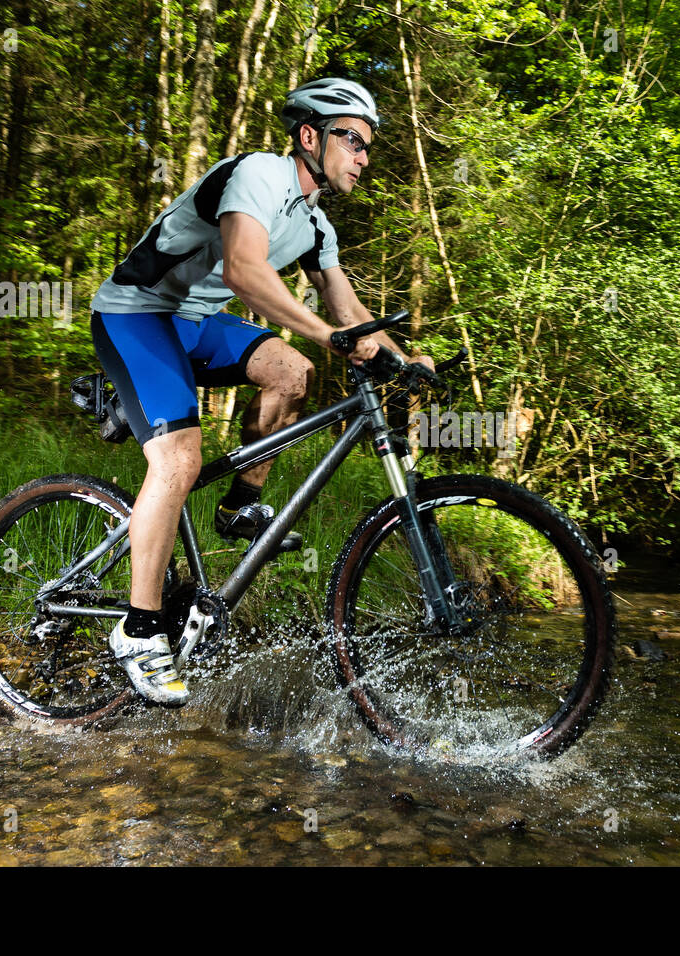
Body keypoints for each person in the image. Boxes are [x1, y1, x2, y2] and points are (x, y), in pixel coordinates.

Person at [87, 77, 434, 705]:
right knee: (180, 459)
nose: (363, 157)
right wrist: (332, 336)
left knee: (290, 373)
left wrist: (405, 361)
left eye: (368, 147)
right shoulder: (259, 176)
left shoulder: (315, 223)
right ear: (310, 136)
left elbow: (346, 306)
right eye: (353, 141)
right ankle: (139, 629)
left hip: (192, 323)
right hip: (136, 314)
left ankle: (238, 506)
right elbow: (247, 272)